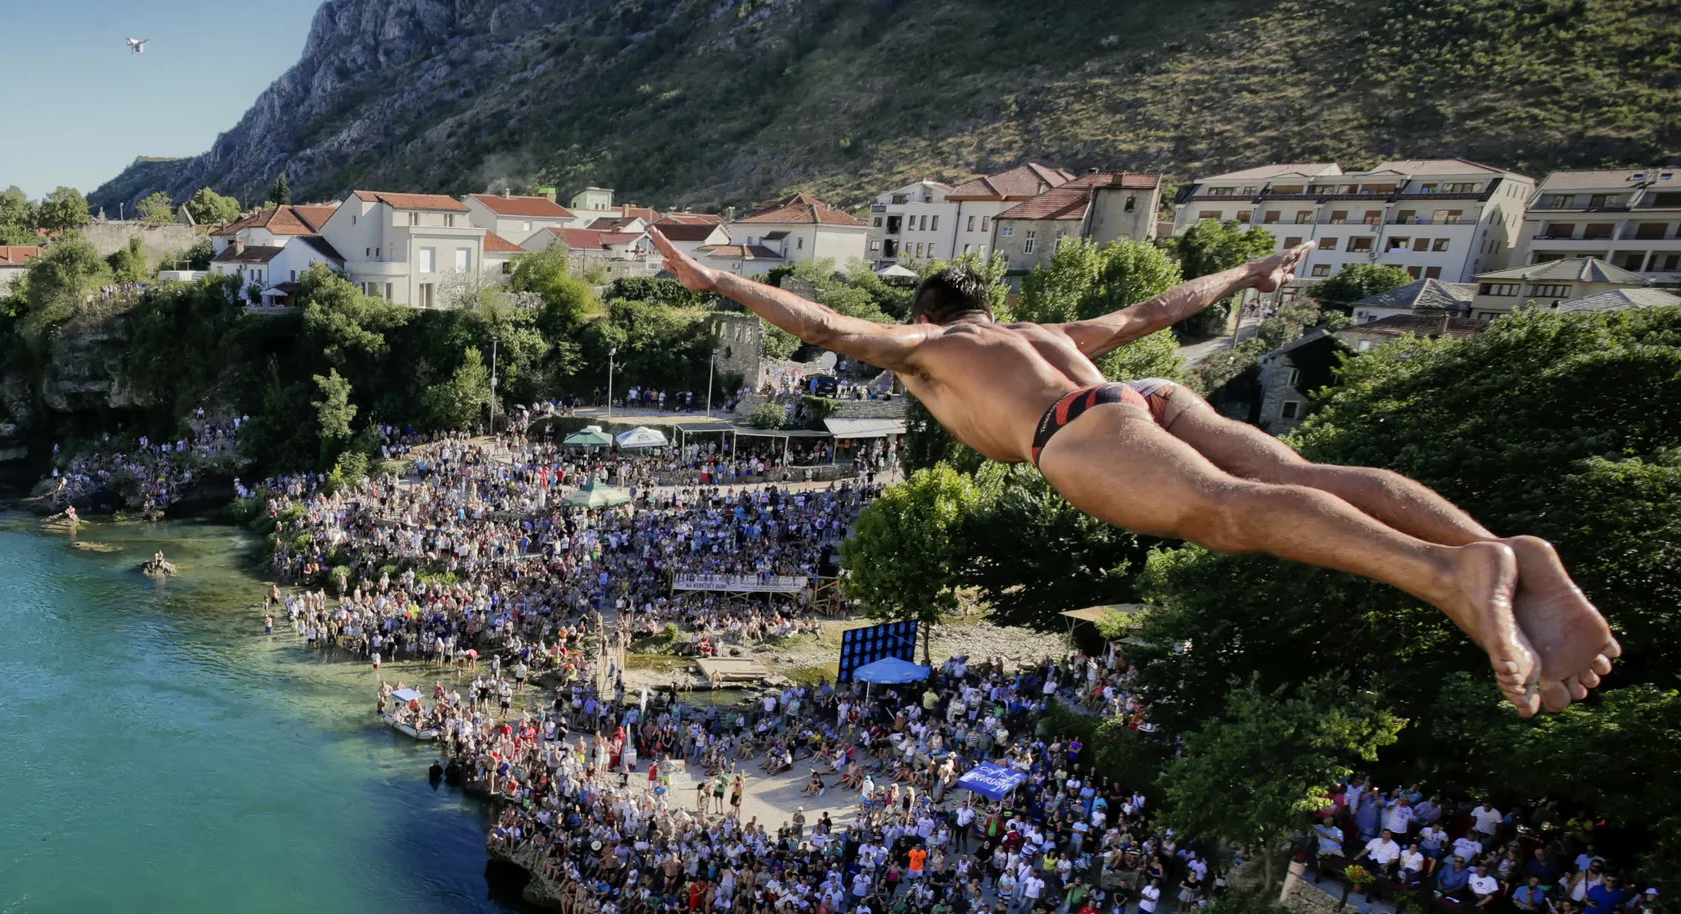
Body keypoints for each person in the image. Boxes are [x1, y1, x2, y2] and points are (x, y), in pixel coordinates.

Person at [653, 232, 1615, 717]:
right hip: (1140, 391)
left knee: (1228, 512)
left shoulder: (923, 348)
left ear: (929, 313)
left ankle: (1451, 575)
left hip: (1074, 432)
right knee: (1306, 471)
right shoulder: (1046, 332)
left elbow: (818, 323)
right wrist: (1242, 279)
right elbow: (1162, 305)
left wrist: (714, 278)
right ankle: (1493, 545)